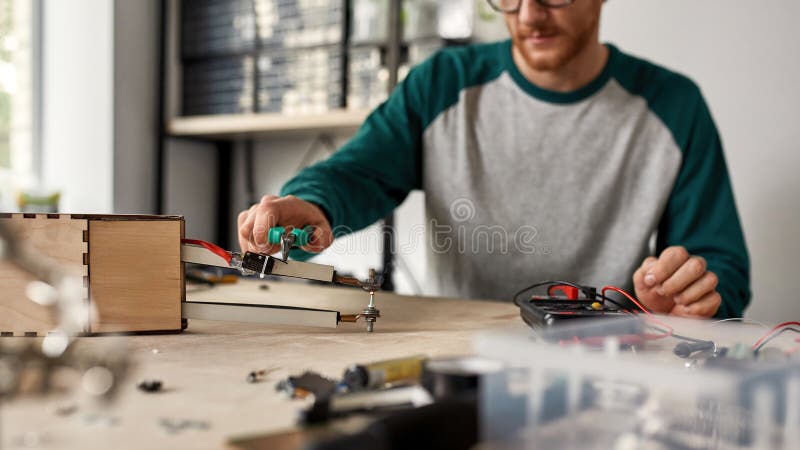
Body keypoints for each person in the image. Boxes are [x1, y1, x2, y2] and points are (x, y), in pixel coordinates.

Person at [237, 0, 750, 318]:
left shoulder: (675, 106)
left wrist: (688, 298)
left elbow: (719, 264)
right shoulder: (442, 83)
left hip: (607, 358)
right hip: (460, 358)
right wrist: (312, 205)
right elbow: (355, 172)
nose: (528, 14)